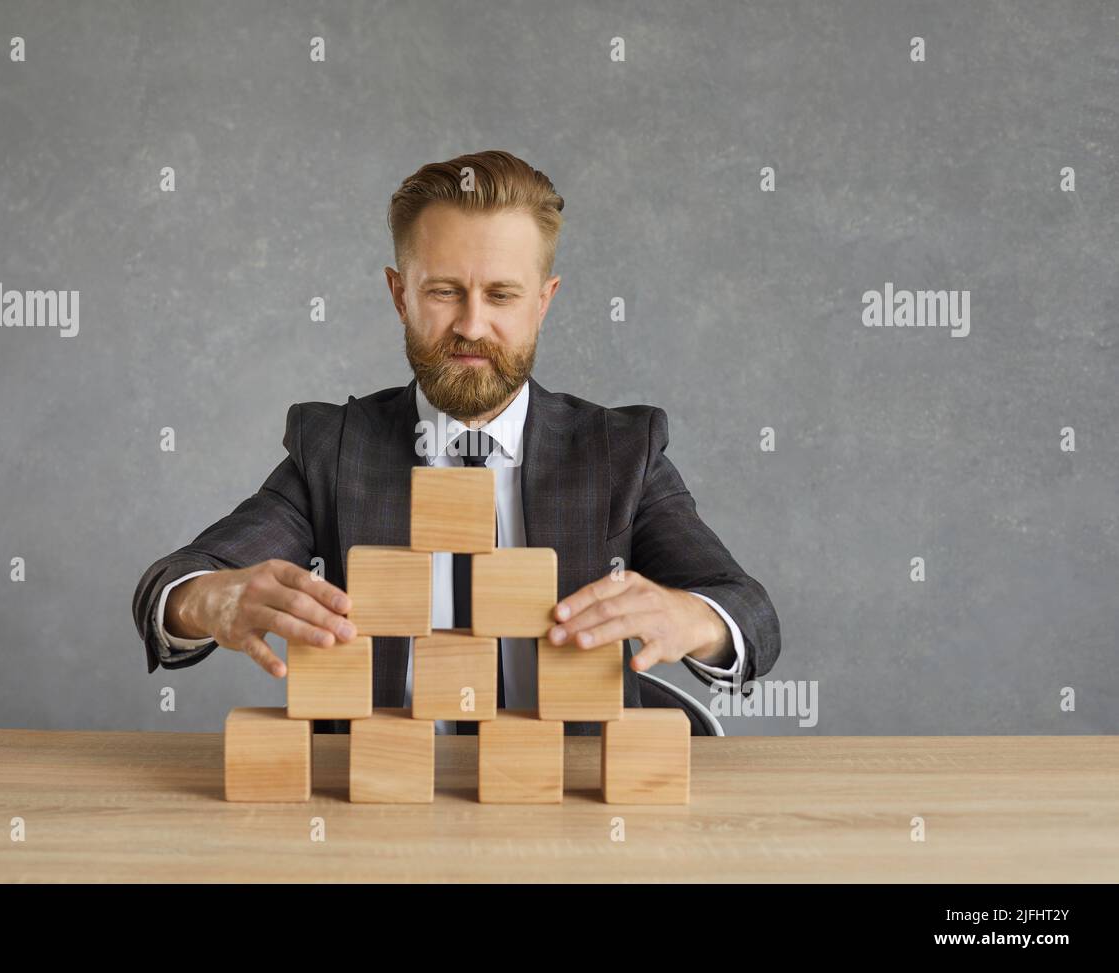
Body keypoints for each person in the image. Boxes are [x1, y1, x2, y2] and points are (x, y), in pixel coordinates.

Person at [131, 149, 780, 736]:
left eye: (502, 295)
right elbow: (182, 577)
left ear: (543, 302)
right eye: (444, 291)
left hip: (571, 792)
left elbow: (747, 610)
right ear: (399, 295)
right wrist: (207, 599)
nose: (472, 325)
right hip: (383, 795)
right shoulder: (334, 448)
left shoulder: (620, 452)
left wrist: (689, 617)